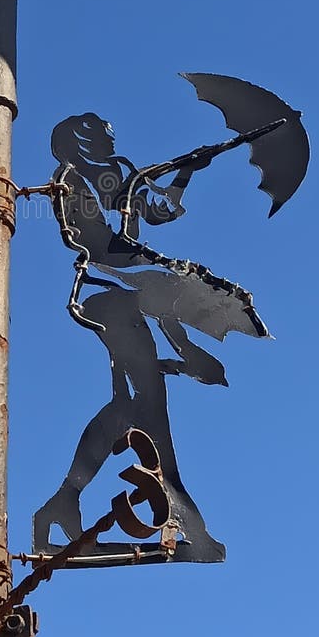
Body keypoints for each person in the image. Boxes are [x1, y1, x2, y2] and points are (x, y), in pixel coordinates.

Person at [33, 114, 267, 563]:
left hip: (131, 300)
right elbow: (105, 248)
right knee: (151, 410)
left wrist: (186, 171)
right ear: (81, 143)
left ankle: (61, 504)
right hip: (109, 298)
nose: (112, 141)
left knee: (128, 408)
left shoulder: (114, 175)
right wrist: (171, 278)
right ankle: (188, 523)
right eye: (102, 136)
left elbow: (158, 212)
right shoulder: (72, 181)